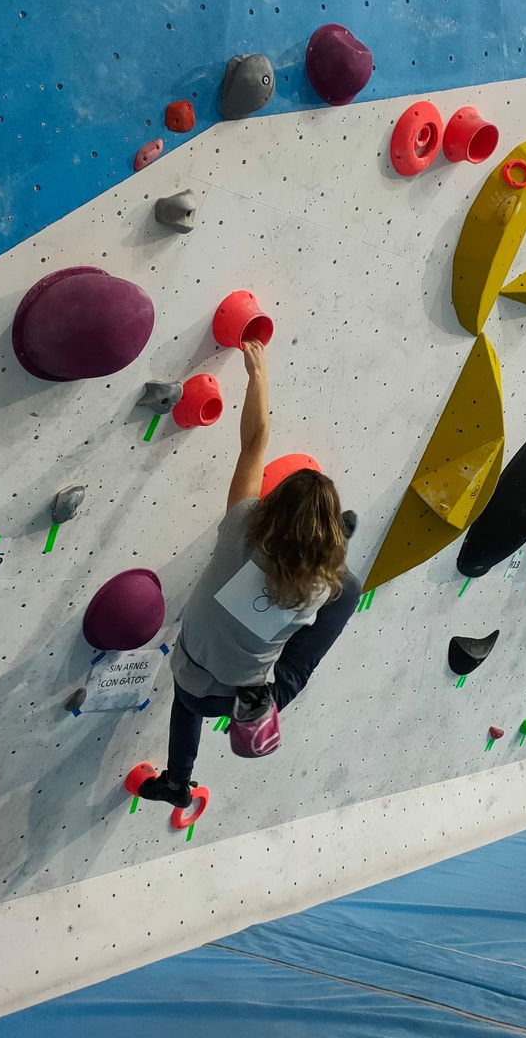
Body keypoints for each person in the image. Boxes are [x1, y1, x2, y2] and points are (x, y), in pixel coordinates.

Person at [138, 340, 359, 808]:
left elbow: (254, 440)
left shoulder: (241, 522)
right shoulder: (322, 587)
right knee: (350, 588)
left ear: (272, 504)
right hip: (239, 698)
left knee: (186, 704)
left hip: (188, 671)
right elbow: (316, 580)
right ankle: (272, 705)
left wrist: (258, 374)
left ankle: (178, 783)